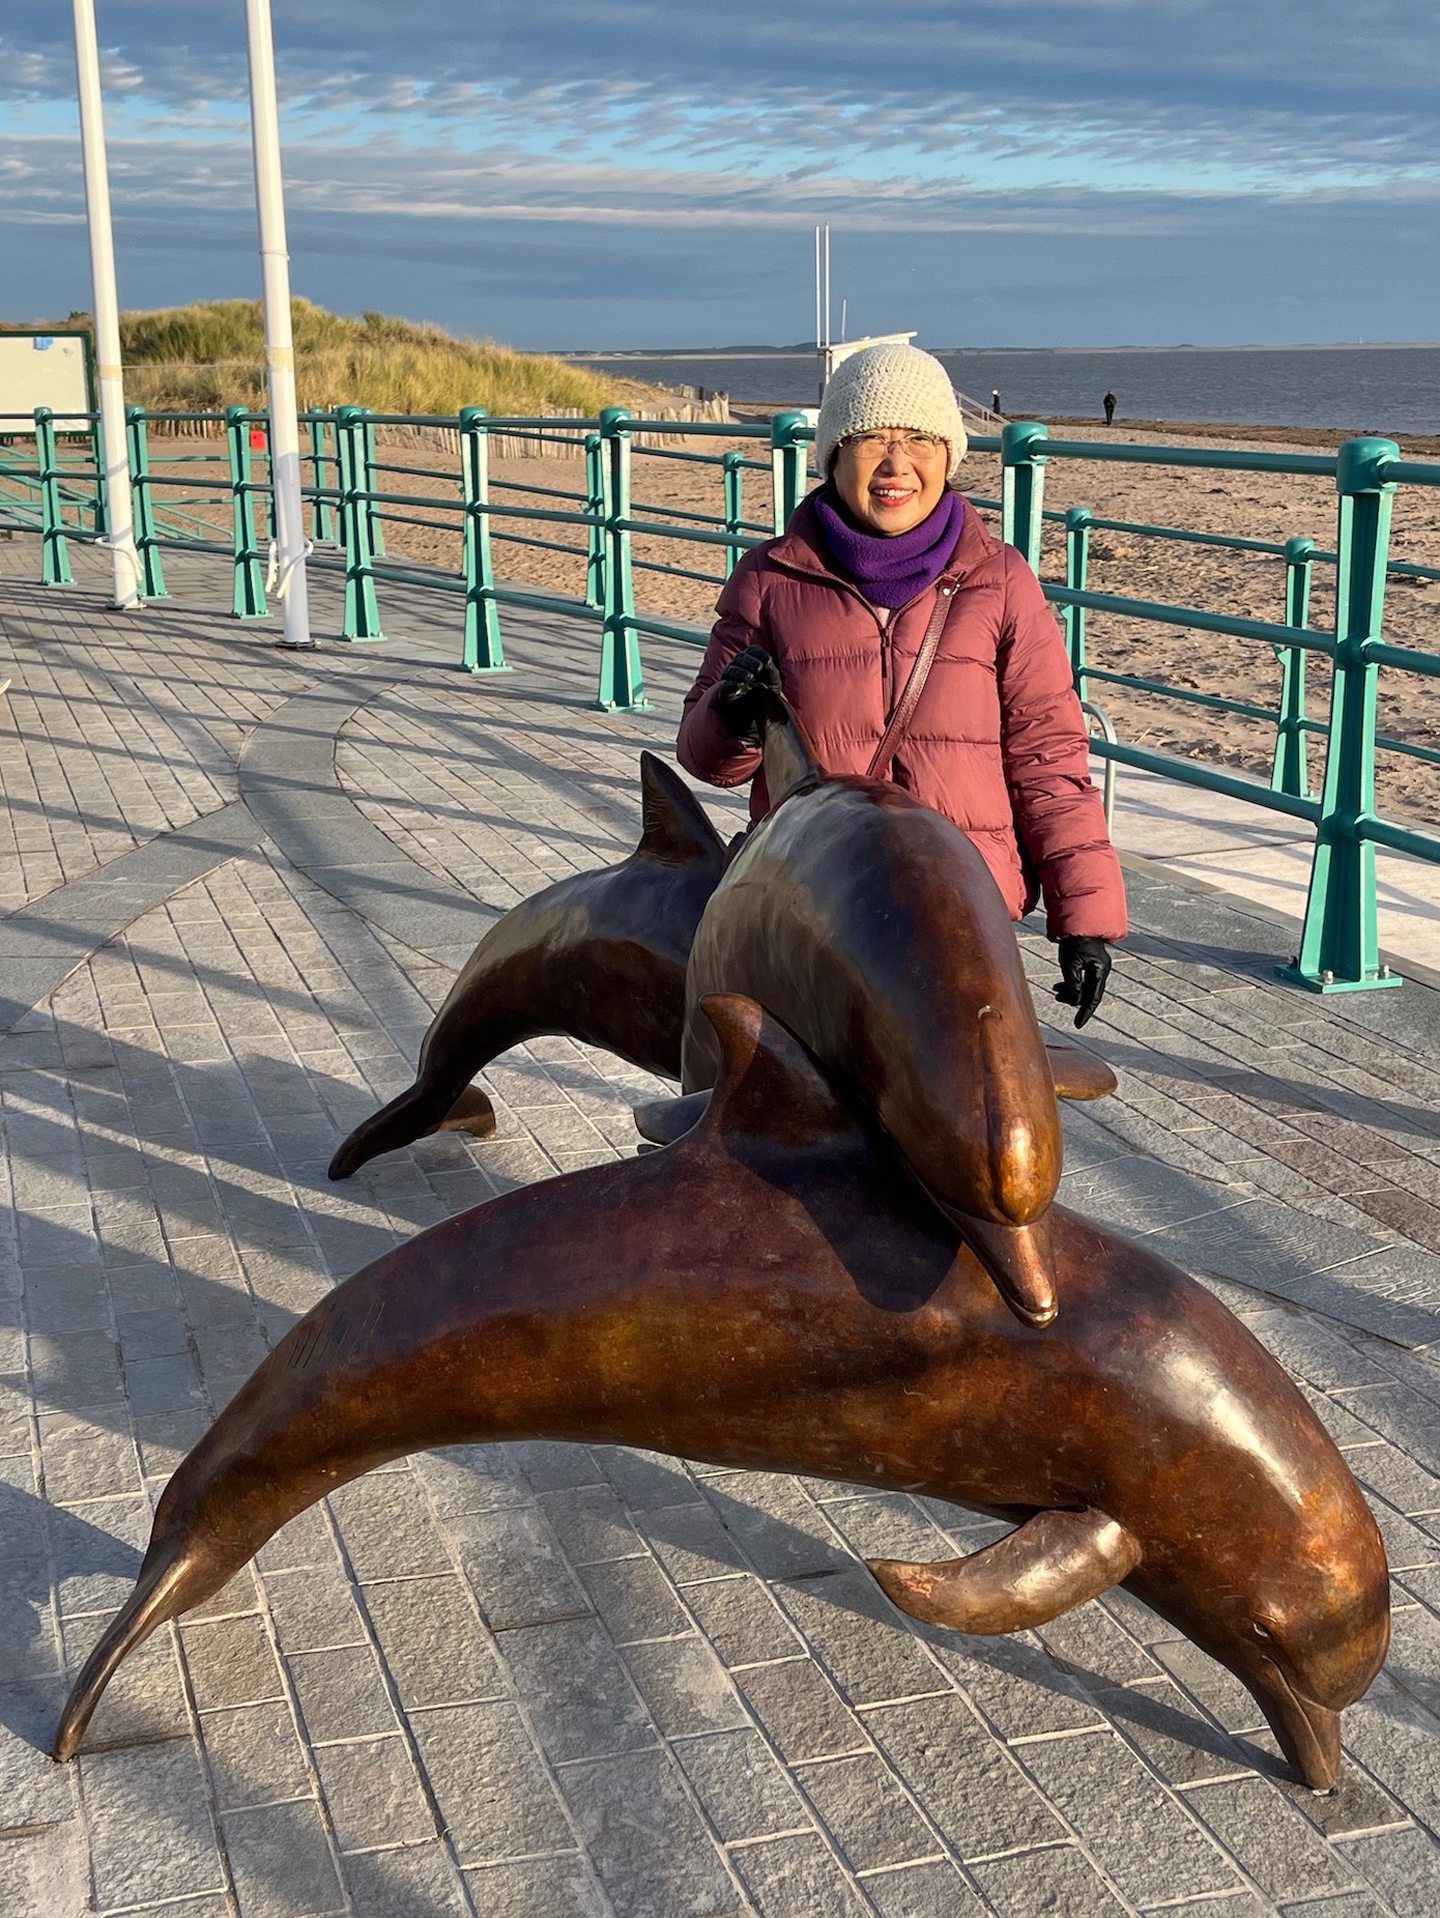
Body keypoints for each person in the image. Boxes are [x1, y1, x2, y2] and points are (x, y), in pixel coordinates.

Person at [677, 342, 1126, 1027]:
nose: (896, 463)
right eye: (870, 438)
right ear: (833, 452)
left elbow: (1049, 760)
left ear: (948, 453)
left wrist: (1084, 919)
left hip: (961, 916)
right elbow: (707, 759)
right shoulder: (771, 578)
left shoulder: (1000, 580)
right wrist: (733, 716)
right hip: (816, 911)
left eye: (919, 437)